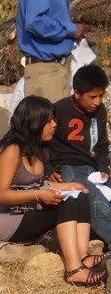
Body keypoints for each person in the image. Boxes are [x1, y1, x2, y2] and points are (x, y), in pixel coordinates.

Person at [0, 95, 105, 286]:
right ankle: (73, 270)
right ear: (34, 123)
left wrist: (69, 186)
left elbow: (35, 185)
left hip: (24, 212)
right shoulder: (11, 150)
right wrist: (39, 195)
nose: (54, 124)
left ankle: (83, 257)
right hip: (5, 221)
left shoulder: (34, 148)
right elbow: (1, 195)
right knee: (66, 203)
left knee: (79, 195)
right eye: (49, 121)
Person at [49, 64, 111, 249]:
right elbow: (43, 142)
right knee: (95, 201)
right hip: (67, 166)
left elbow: (102, 144)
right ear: (77, 93)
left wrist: (104, 167)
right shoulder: (59, 109)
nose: (97, 102)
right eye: (92, 97)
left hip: (92, 167)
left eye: (101, 96)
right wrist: (48, 168)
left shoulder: (100, 111)